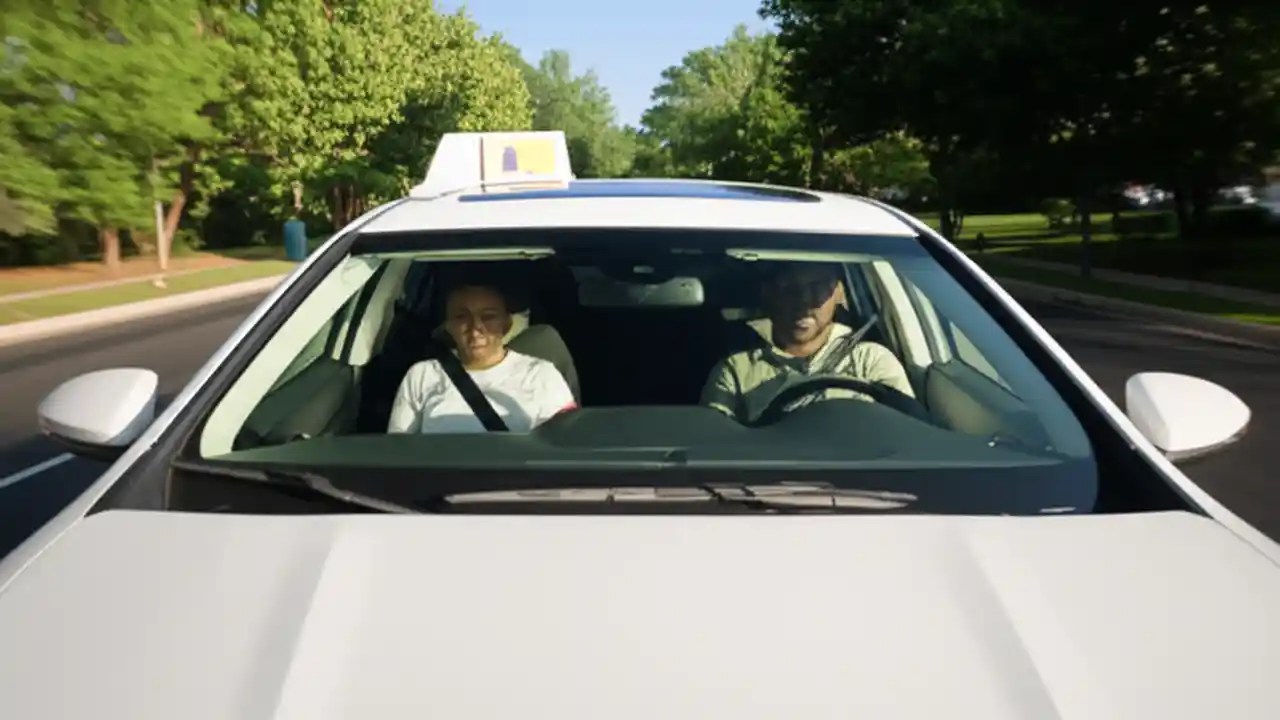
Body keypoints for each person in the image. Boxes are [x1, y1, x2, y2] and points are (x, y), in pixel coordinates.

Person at [701, 262, 915, 424]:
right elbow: (715, 445)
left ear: (838, 292)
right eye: (789, 289)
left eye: (816, 287)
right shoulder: (737, 371)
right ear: (768, 294)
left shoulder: (871, 361)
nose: (804, 301)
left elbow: (908, 434)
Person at [388, 279, 576, 434]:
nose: (476, 327)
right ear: (448, 326)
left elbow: (565, 448)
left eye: (488, 316)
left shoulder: (542, 375)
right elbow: (399, 451)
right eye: (462, 317)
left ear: (506, 324)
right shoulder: (421, 376)